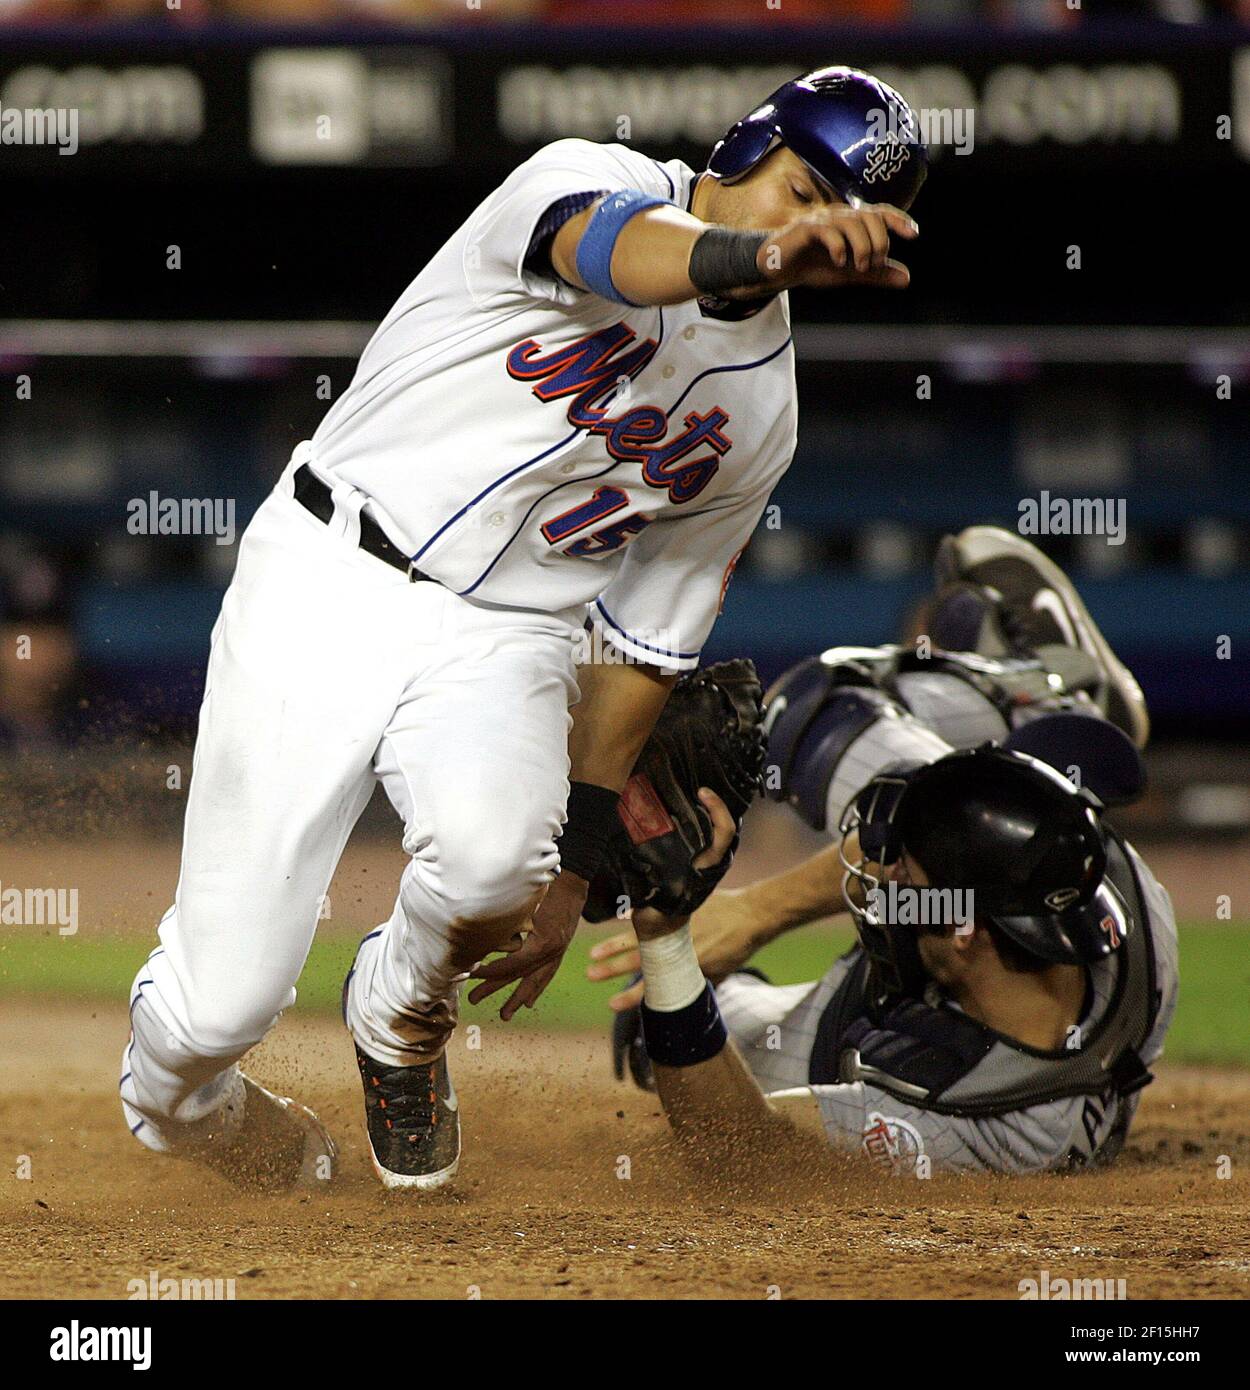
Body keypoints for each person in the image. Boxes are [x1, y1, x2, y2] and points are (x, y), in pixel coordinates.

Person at [120, 67, 928, 1191]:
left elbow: (647, 643)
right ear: (743, 150)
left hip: (508, 634)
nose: (803, 228)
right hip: (325, 573)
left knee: (499, 863)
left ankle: (398, 1014)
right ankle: (184, 1101)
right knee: (221, 1004)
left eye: (828, 217)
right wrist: (758, 256)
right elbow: (611, 252)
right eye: (796, 189)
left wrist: (581, 859)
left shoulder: (760, 417)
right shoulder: (583, 177)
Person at [590, 528, 1179, 1173]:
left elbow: (746, 1148)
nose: (877, 870)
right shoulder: (1115, 888)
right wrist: (759, 911)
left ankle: (1038, 701)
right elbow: (1003, 820)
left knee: (666, 1031)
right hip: (953, 956)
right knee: (817, 715)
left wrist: (670, 939)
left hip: (870, 1025)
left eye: (902, 872)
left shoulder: (986, 1123)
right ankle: (1055, 691)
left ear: (961, 927)